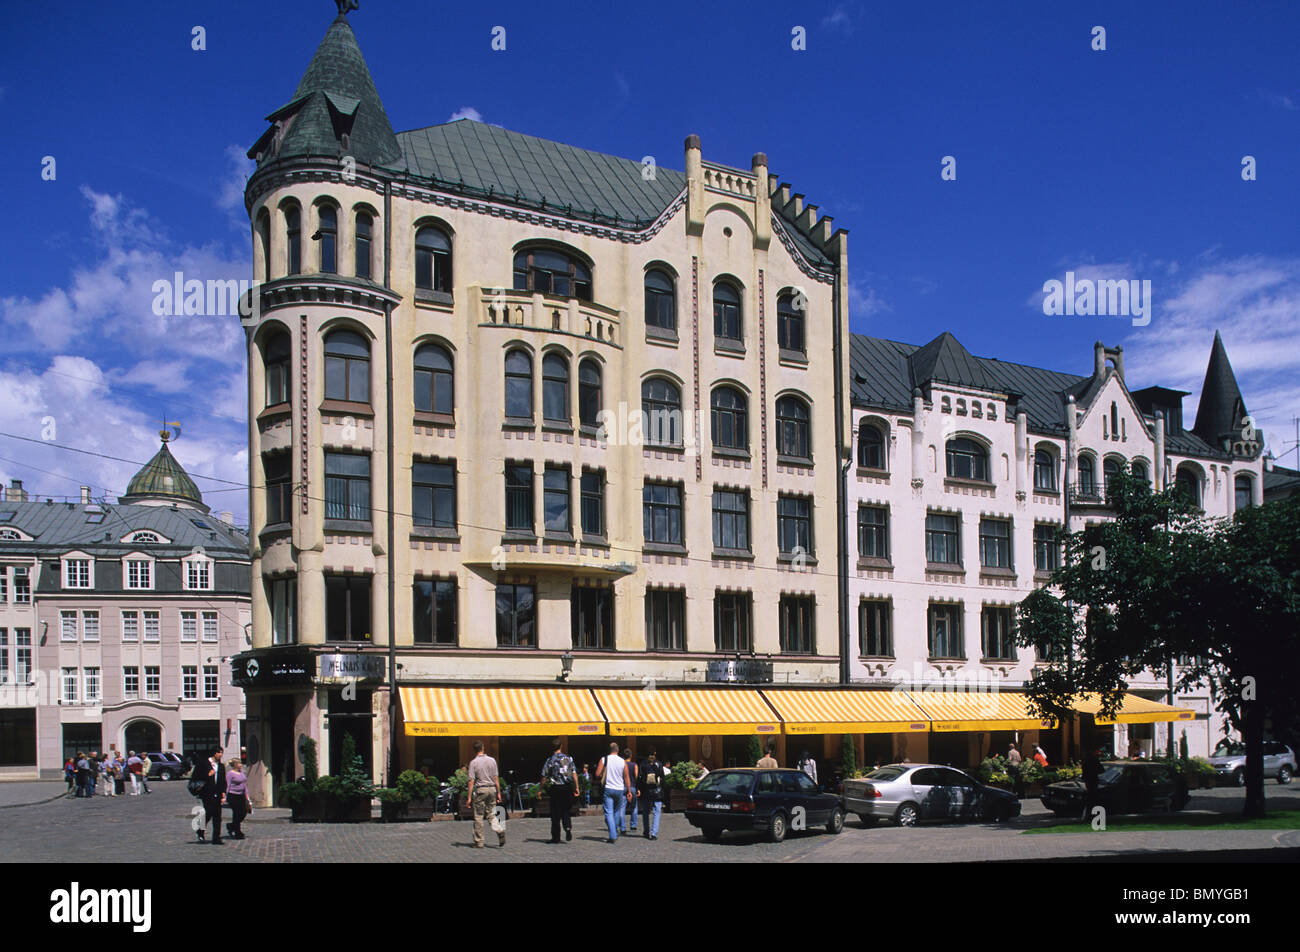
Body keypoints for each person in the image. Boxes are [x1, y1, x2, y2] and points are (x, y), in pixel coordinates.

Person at [540, 739, 580, 844]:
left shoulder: (550, 760)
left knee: (555, 813)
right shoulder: (568, 758)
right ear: (561, 746)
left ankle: (556, 837)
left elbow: (544, 776)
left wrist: (540, 789)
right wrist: (577, 787)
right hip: (566, 787)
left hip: (555, 788)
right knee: (566, 810)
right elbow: (574, 773)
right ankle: (567, 827)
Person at [467, 740, 504, 848]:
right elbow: (496, 778)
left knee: (478, 816)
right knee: (491, 814)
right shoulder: (492, 760)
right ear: (483, 748)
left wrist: (469, 797)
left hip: (481, 790)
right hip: (492, 789)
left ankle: (479, 842)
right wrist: (499, 793)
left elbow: (471, 781)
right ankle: (499, 830)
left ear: (474, 750)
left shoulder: (473, 763)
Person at [595, 742, 632, 843]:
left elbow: (597, 774)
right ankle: (614, 830)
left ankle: (613, 835)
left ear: (609, 749)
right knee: (616, 812)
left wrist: (604, 773)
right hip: (620, 789)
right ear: (617, 750)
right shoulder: (622, 761)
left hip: (608, 788)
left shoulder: (604, 759)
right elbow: (626, 777)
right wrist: (629, 791)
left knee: (609, 812)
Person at [192, 747, 226, 844]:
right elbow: (195, 777)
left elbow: (223, 781)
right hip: (207, 793)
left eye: (221, 753)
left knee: (218, 816)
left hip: (217, 793)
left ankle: (216, 838)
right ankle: (200, 830)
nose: (221, 755)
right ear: (214, 753)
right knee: (209, 812)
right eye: (219, 753)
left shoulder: (221, 766)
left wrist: (223, 793)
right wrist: (207, 775)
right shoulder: (204, 763)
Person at [638, 747, 665, 840]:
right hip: (657, 791)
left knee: (645, 812)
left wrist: (640, 789)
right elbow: (662, 777)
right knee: (656, 812)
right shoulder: (659, 764)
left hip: (646, 791)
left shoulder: (642, 764)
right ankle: (654, 833)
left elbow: (640, 778)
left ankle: (646, 831)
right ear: (655, 753)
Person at [225, 759, 250, 839]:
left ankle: (231, 826)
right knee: (236, 813)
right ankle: (238, 832)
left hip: (241, 795)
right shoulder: (230, 774)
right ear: (235, 764)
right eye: (239, 763)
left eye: (240, 763)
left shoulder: (241, 772)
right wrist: (225, 796)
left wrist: (247, 796)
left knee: (243, 812)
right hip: (233, 795)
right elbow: (227, 785)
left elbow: (244, 784)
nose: (240, 764)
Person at [1081, 746, 1103, 821]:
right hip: (1093, 780)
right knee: (1094, 798)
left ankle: (1088, 815)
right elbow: (1101, 770)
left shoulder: (1085, 761)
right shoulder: (1094, 760)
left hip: (1088, 780)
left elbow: (1084, 771)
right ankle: (1094, 815)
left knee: (1090, 798)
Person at [622, 747, 638, 834]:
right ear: (631, 755)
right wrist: (638, 788)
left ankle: (623, 827)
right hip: (632, 786)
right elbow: (636, 777)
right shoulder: (634, 765)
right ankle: (633, 825)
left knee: (622, 807)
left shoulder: (622, 764)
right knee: (634, 806)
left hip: (623, 786)